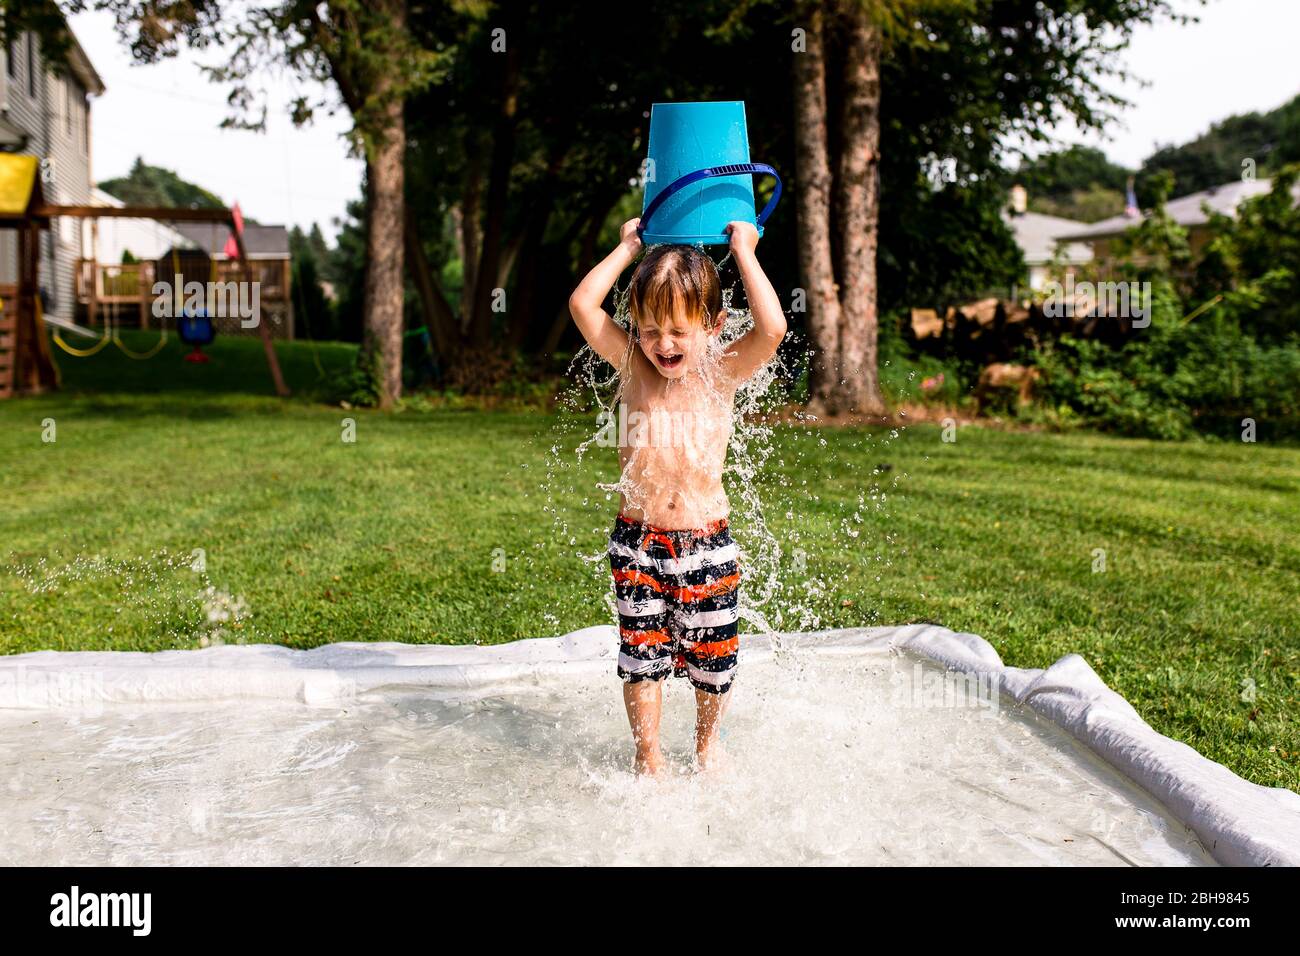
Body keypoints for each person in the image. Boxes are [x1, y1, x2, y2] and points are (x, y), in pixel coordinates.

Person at [568, 218, 786, 774]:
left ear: (712, 326)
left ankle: (707, 744)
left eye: (678, 332)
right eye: (649, 329)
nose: (663, 344)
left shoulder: (721, 374)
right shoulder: (632, 366)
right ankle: (649, 755)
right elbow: (584, 306)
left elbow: (772, 329)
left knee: (714, 661)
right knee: (641, 660)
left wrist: (744, 252)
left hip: (708, 543)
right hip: (638, 543)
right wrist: (626, 249)